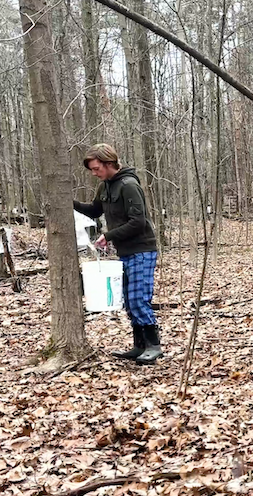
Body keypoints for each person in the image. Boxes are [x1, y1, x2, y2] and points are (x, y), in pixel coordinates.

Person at [74, 144, 162, 364]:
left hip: (142, 250)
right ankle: (139, 345)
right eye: (92, 170)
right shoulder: (105, 187)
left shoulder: (129, 185)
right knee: (129, 302)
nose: (95, 173)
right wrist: (70, 203)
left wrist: (109, 235)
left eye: (97, 168)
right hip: (125, 253)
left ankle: (154, 345)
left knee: (139, 299)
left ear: (109, 163)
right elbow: (95, 210)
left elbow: (138, 222)